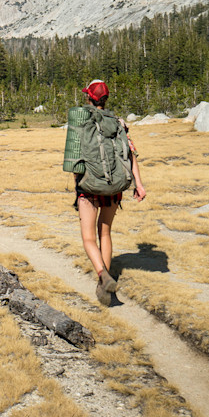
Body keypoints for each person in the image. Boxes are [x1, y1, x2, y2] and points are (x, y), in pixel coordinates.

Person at [74, 79, 146, 306]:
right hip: (113, 188)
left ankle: (102, 275)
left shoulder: (82, 121)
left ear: (89, 98)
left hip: (88, 189)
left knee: (88, 238)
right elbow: (130, 154)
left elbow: (75, 161)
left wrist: (78, 183)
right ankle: (105, 290)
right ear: (106, 98)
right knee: (105, 233)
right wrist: (139, 184)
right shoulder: (118, 123)